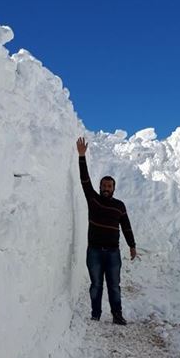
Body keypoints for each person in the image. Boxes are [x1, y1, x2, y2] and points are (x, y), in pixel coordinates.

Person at [76, 137, 137, 324]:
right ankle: (95, 314)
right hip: (94, 251)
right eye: (103, 185)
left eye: (109, 186)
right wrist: (81, 156)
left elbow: (126, 226)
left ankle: (117, 315)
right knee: (96, 285)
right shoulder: (93, 200)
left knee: (114, 286)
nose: (106, 188)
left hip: (113, 253)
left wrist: (132, 246)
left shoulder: (120, 206)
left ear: (113, 189)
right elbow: (85, 180)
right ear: (100, 187)